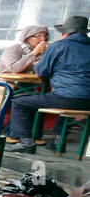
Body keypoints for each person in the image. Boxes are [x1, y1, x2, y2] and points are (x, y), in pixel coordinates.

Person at [7, 15, 90, 152]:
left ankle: (26, 143)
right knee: (69, 104)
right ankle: (58, 142)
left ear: (66, 32)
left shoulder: (59, 46)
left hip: (64, 97)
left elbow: (42, 71)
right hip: (88, 101)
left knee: (19, 102)